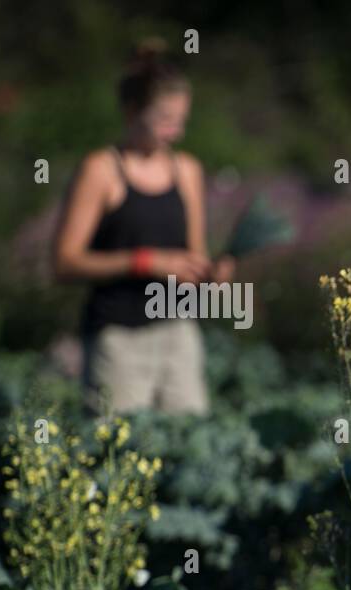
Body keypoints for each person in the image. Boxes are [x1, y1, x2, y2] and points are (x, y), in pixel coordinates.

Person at [53, 38, 233, 415]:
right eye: (166, 121)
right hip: (118, 338)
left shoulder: (187, 170)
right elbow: (65, 263)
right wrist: (144, 262)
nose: (176, 132)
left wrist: (210, 273)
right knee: (122, 452)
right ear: (132, 112)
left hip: (179, 333)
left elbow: (193, 255)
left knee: (190, 444)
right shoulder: (101, 170)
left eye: (182, 121)